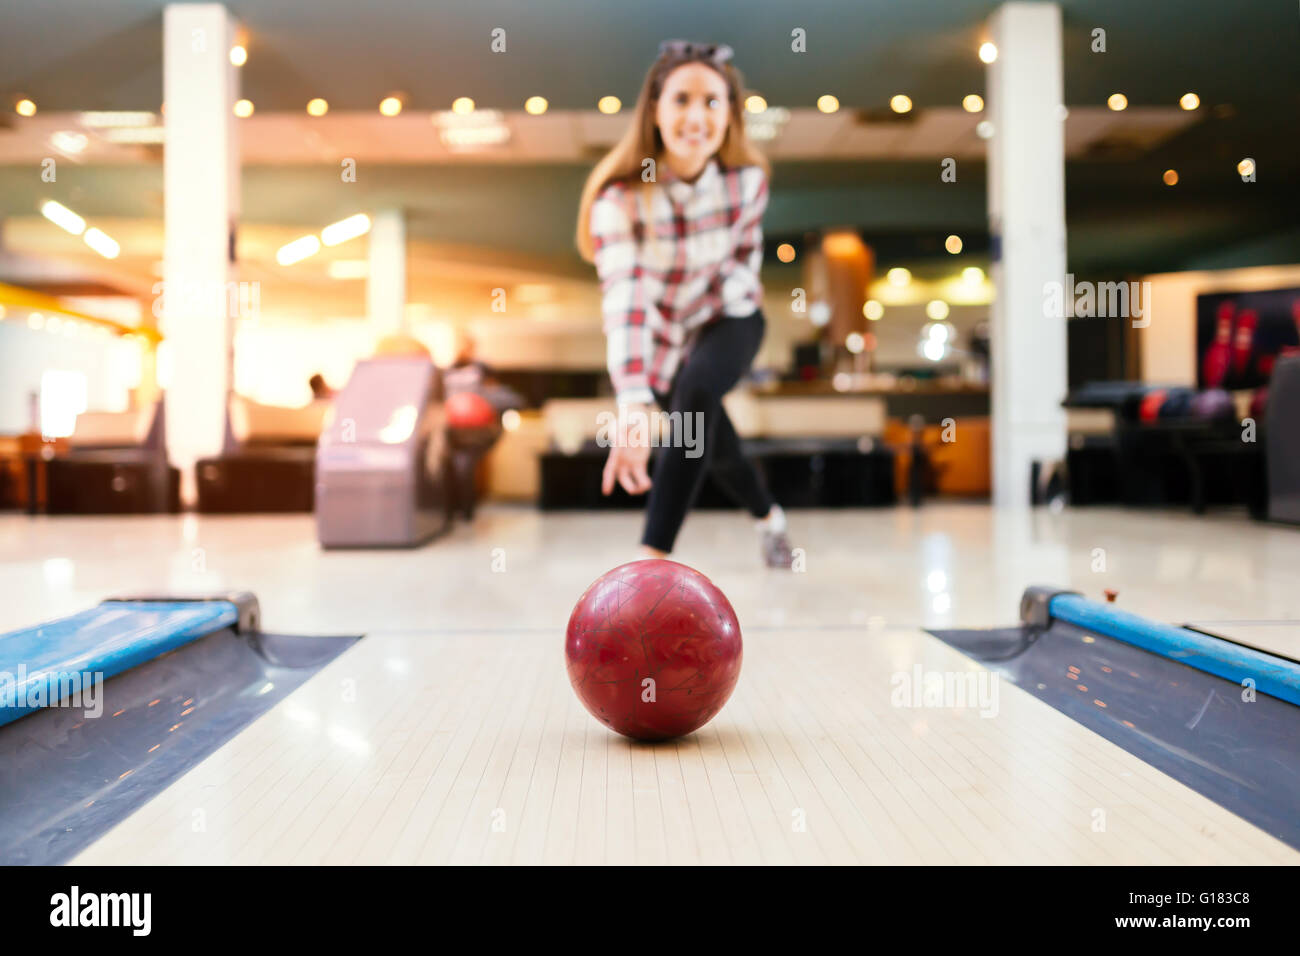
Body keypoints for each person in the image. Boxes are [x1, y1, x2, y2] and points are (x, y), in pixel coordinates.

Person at [576, 39, 793, 568]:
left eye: (712, 102)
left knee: (695, 393)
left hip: (730, 317)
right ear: (654, 110)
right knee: (713, 443)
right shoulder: (621, 199)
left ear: (730, 115)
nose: (697, 115)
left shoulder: (748, 184)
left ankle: (651, 558)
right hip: (665, 340)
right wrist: (632, 402)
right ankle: (771, 519)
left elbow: (743, 261)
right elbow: (625, 297)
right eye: (681, 100)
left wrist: (698, 352)